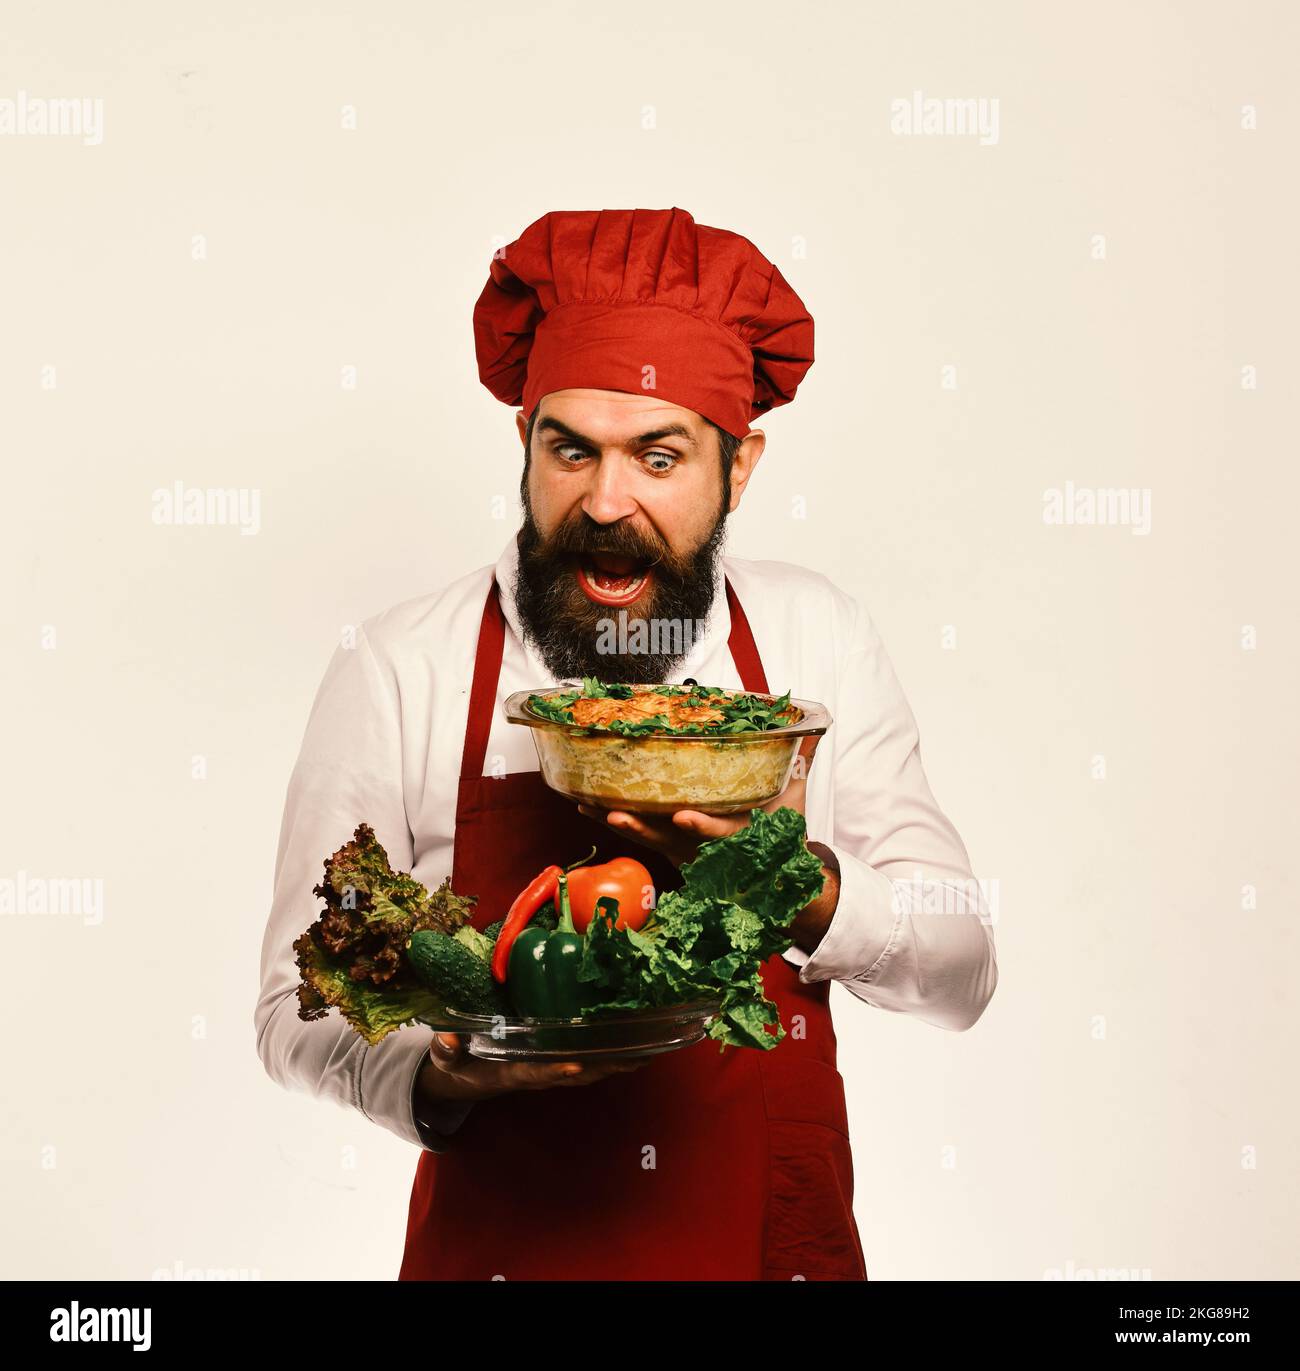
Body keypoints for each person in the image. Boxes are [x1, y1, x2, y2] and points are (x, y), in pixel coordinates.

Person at [254, 207, 998, 1280]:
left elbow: (962, 970)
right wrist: (449, 1073)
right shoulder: (401, 666)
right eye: (571, 450)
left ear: (737, 467)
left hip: (770, 1246)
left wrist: (798, 886)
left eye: (658, 455)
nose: (606, 502)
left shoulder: (811, 640)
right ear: (525, 443)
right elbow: (292, 1009)